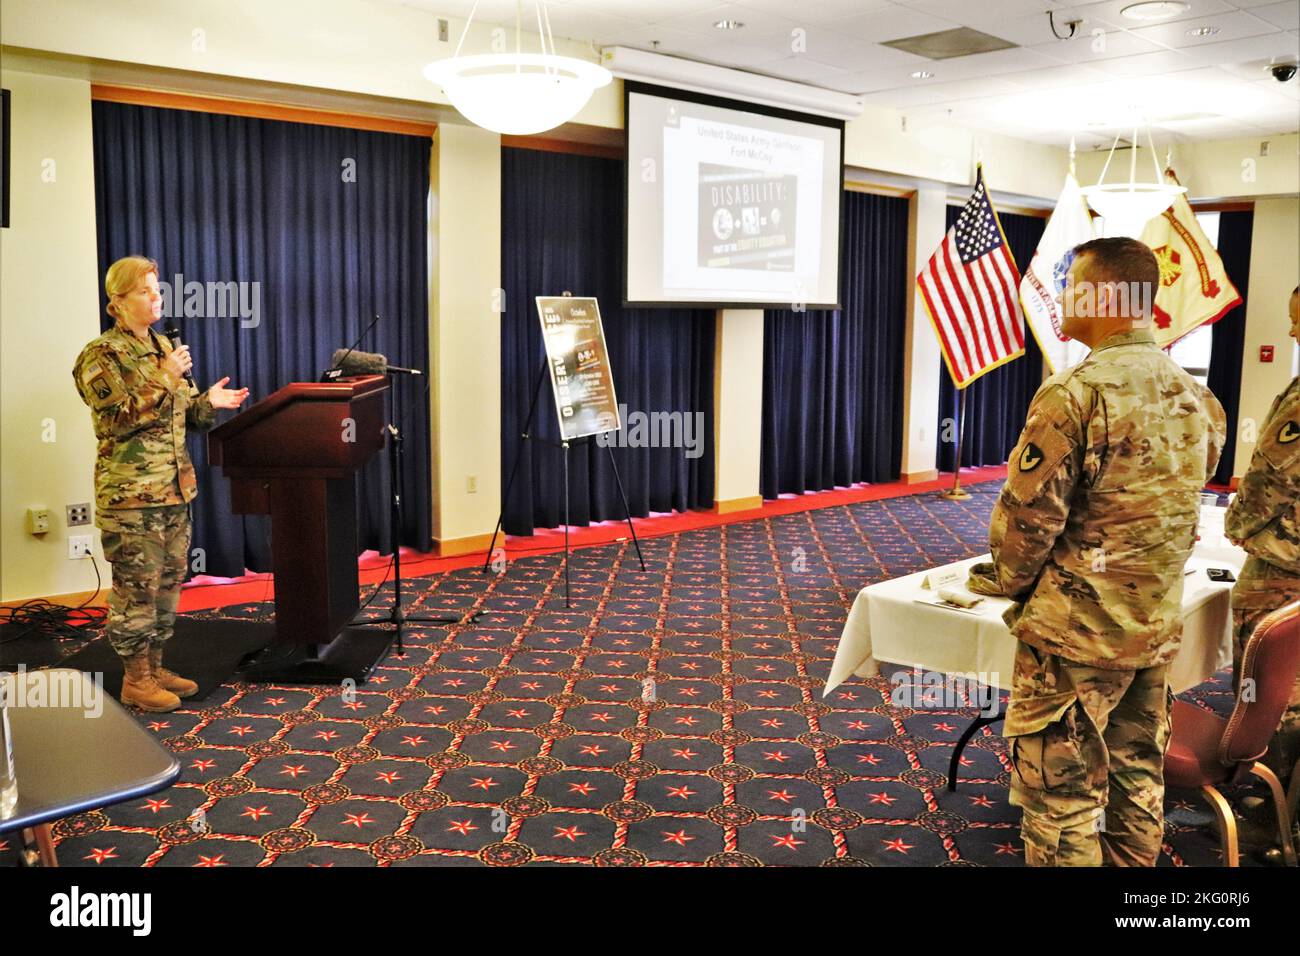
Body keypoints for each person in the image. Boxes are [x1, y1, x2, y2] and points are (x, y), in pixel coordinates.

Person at [988, 236, 1226, 866]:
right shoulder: (1197, 396)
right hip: (1151, 629)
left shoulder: (1074, 393)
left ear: (1105, 296)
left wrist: (1009, 583)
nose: (1060, 297)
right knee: (1135, 781)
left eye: (1070, 284)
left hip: (1076, 639)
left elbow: (1027, 526)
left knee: (1060, 801)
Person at [73, 256, 249, 713]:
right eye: (146, 291)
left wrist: (208, 401)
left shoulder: (160, 348)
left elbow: (184, 414)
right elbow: (116, 420)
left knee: (168, 586)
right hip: (132, 497)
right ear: (118, 302)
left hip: (175, 490)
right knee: (137, 590)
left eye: (158, 289)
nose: (157, 298)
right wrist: (165, 376)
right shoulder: (101, 355)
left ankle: (154, 666)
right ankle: (136, 681)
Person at [1224, 285, 1300, 787]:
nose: (1292, 331)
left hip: (1282, 564)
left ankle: (1266, 804)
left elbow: (1274, 476)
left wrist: (1234, 526)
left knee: (1269, 686)